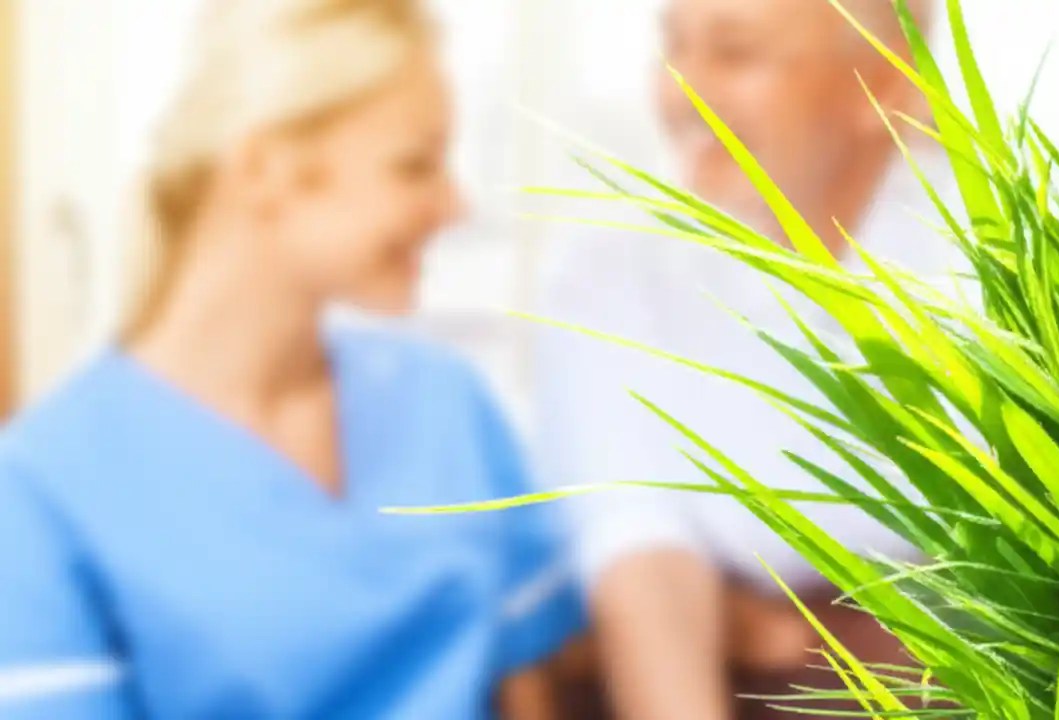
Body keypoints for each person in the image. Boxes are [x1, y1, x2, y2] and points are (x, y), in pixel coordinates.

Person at [0, 1, 582, 718]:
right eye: (414, 166)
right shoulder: (42, 488)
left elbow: (530, 690)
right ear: (265, 170)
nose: (454, 205)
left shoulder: (446, 402)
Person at [535, 0, 961, 718]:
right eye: (674, 46)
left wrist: (777, 634)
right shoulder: (609, 274)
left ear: (885, 83)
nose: (681, 93)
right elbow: (644, 559)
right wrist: (768, 640)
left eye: (736, 53)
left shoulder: (996, 261)